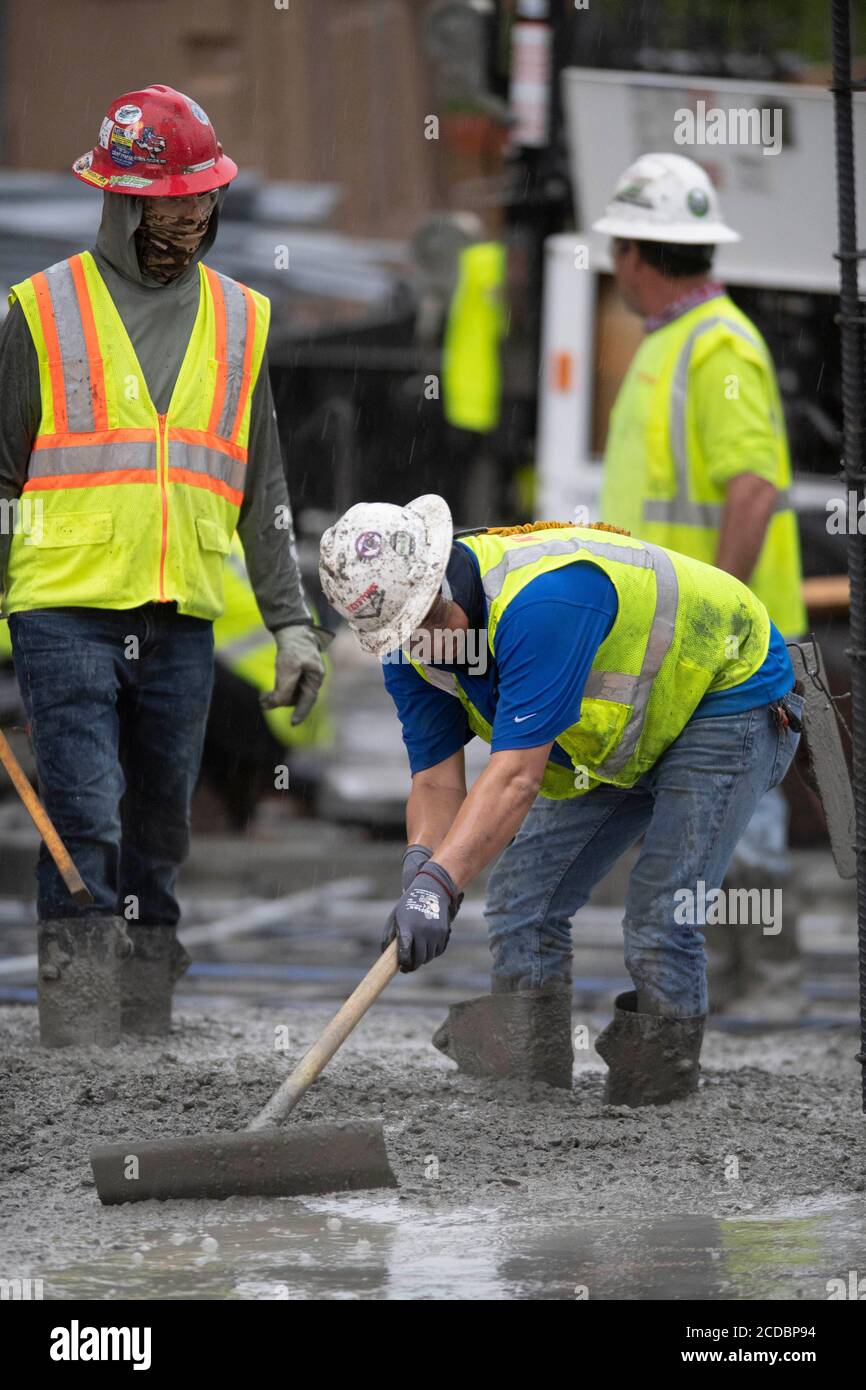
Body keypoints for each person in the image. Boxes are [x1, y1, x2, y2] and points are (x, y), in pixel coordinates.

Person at [0, 86, 326, 1046]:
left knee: (160, 832)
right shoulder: (40, 312)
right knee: (85, 815)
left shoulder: (240, 321)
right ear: (119, 201)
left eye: (201, 199)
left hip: (179, 614)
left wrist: (292, 624)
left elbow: (260, 486)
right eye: (169, 202)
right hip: (61, 610)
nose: (189, 218)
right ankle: (81, 1023)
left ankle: (141, 1020)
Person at [319, 496, 803, 1105]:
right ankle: (531, 1093)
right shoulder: (411, 653)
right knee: (524, 897)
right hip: (626, 731)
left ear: (442, 572)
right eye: (409, 636)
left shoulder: (545, 600)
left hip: (727, 694)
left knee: (663, 912)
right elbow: (437, 783)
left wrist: (442, 884)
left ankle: (661, 1100)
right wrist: (421, 864)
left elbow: (517, 777)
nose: (427, 642)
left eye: (431, 619)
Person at [593, 152, 806, 1014]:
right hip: (689, 640)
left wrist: (717, 625)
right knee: (709, 817)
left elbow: (754, 486)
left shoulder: (717, 347)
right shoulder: (676, 344)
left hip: (723, 645)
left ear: (640, 254)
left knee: (741, 819)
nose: (613, 266)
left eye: (619, 248)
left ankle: (772, 989)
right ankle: (722, 989)